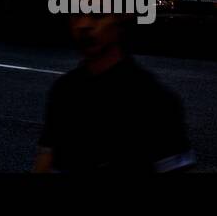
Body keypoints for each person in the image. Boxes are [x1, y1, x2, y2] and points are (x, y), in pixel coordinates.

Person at [34, 10, 194, 173]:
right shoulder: (64, 91)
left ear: (121, 20)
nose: (83, 25)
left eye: (98, 15)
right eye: (76, 15)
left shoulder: (154, 100)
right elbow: (46, 163)